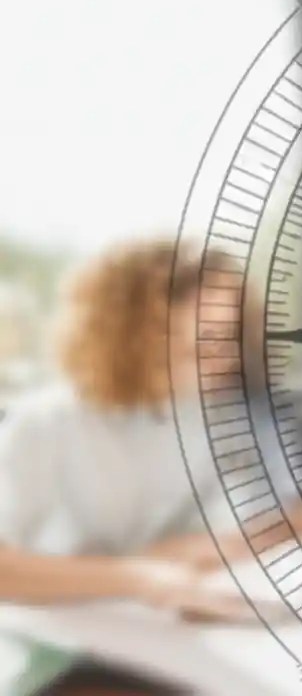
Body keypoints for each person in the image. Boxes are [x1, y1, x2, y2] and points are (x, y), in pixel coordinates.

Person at [0, 240, 278, 619]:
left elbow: (208, 544)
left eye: (227, 334)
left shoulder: (201, 416)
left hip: (145, 629)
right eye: (199, 342)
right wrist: (134, 576)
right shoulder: (43, 426)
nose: (224, 357)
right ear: (129, 336)